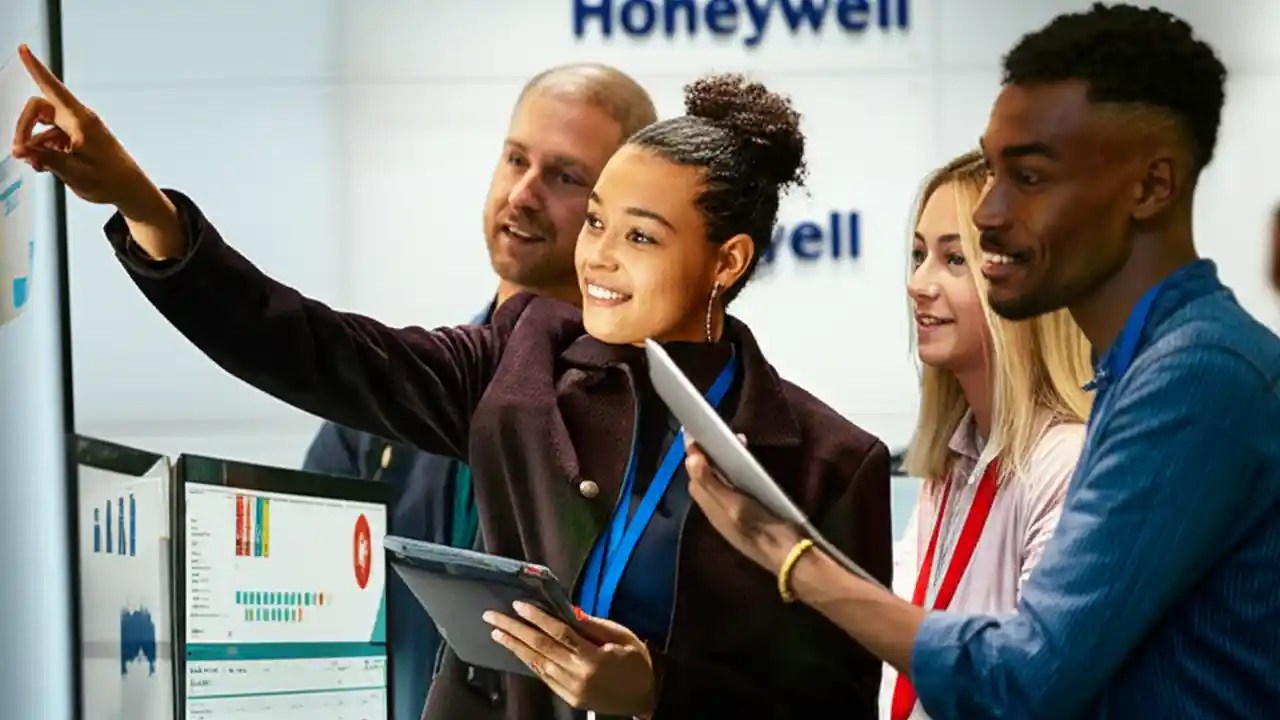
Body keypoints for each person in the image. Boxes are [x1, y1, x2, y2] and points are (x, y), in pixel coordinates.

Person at [11, 50, 892, 720]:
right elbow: (312, 347)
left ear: (726, 261)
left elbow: (830, 706)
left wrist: (658, 690)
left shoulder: (827, 461)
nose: (600, 258)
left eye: (641, 235)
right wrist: (143, 207)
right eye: (596, 225)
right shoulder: (523, 353)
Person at [682, 4, 1280, 718]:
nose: (995, 214)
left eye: (1031, 178)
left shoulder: (1196, 377)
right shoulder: (1143, 372)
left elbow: (1026, 676)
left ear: (1149, 188)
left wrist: (794, 559)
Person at [299, 63, 656, 720]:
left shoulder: (655, 432)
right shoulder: (383, 409)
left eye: (564, 177)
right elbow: (300, 631)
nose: (522, 193)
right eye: (515, 158)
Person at [883, 150, 1091, 720]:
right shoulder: (955, 458)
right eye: (919, 254)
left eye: (955, 259)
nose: (918, 283)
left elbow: (1031, 688)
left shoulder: (1068, 464)